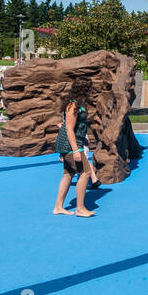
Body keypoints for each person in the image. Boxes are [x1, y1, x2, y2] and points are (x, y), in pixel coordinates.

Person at [53, 77, 95, 217]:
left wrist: (84, 141)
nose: (91, 91)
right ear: (83, 89)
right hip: (70, 145)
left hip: (75, 142)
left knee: (68, 174)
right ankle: (80, 208)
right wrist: (76, 150)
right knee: (86, 172)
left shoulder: (79, 105)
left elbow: (79, 126)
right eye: (89, 88)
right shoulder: (73, 106)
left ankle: (58, 207)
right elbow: (70, 129)